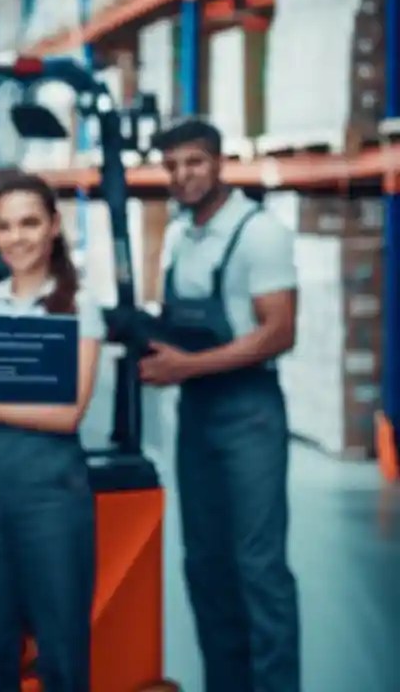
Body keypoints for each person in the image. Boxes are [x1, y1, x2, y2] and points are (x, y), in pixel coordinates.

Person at [141, 118, 300, 692]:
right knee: (205, 563)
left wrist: (186, 367)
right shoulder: (184, 235)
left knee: (259, 566)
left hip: (249, 412)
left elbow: (279, 331)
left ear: (219, 161)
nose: (184, 176)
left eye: (194, 162)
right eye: (174, 165)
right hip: (198, 413)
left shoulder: (259, 233)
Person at [0, 173, 103, 692]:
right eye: (4, 226)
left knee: (61, 650)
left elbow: (66, 413)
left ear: (53, 226)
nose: (16, 237)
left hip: (50, 493)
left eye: (29, 223)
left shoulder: (77, 306)